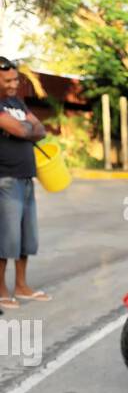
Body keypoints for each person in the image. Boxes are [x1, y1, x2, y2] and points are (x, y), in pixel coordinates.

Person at [0, 56, 50, 309]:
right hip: (5, 180)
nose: (13, 84)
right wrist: (23, 128)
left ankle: (21, 286)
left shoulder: (16, 102)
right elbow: (24, 130)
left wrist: (22, 127)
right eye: (8, 80)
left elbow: (39, 128)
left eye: (16, 79)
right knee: (6, 239)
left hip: (27, 178)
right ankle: (1, 291)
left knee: (26, 238)